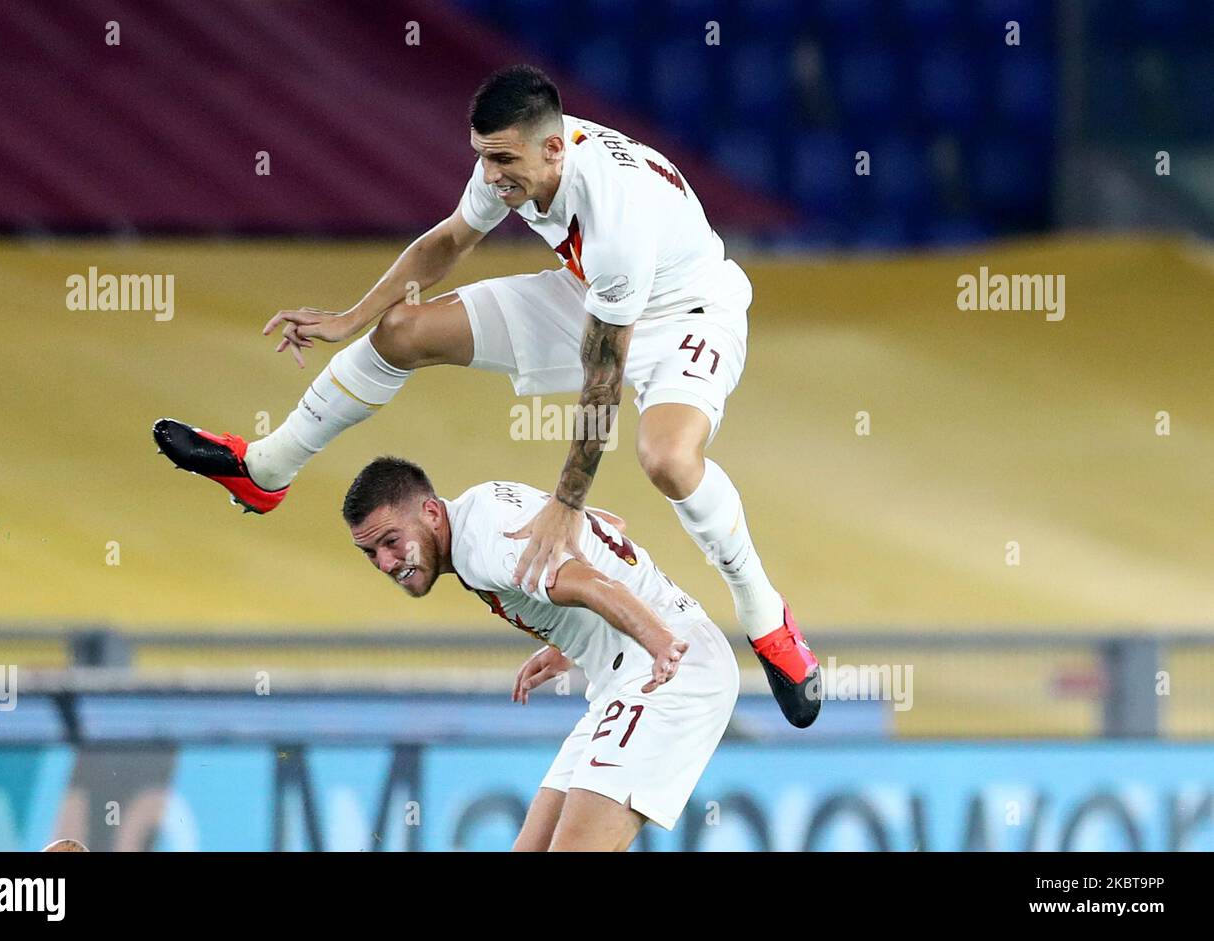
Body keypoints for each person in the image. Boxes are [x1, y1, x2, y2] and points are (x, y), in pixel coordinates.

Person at [153, 63, 819, 727]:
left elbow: (603, 373)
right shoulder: (518, 157)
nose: (491, 175)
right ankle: (266, 469)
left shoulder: (617, 215)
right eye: (482, 158)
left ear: (554, 149)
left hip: (687, 311)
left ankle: (765, 616)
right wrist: (349, 317)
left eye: (502, 160)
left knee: (668, 459)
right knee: (403, 329)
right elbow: (447, 240)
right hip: (589, 295)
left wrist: (566, 504)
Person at [343, 456, 739, 850]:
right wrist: (570, 638)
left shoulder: (482, 550)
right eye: (371, 552)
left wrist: (660, 643)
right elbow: (606, 525)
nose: (386, 563)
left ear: (430, 512)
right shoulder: (481, 501)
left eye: (391, 541)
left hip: (666, 671)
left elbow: (595, 584)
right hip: (624, 674)